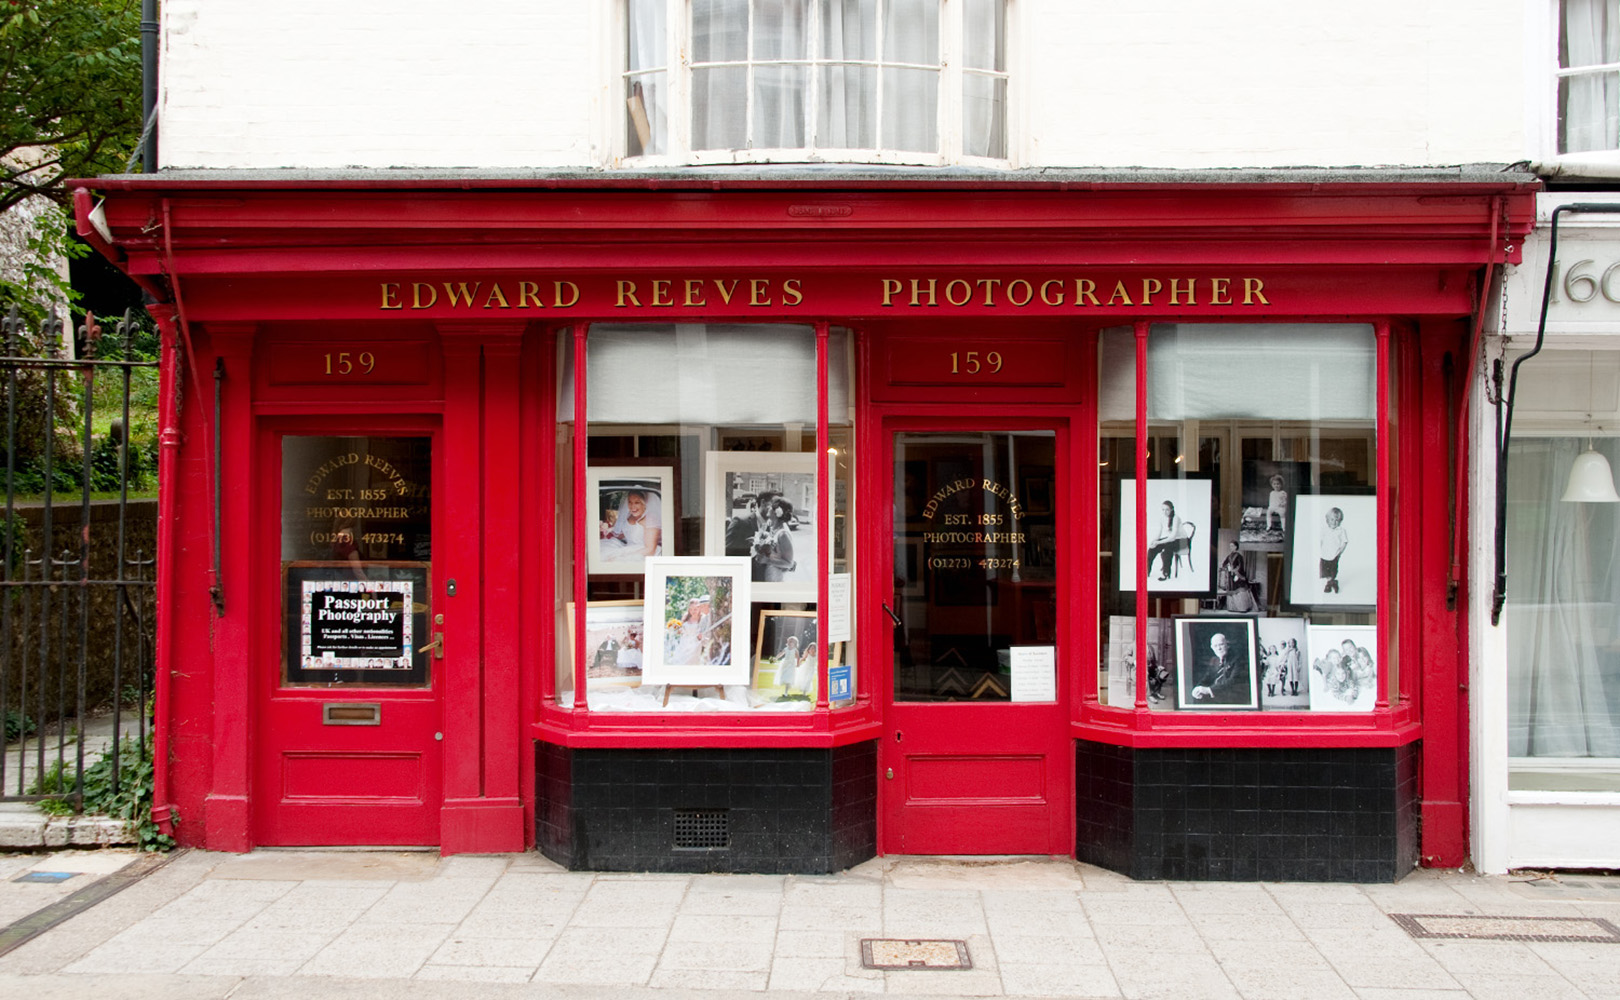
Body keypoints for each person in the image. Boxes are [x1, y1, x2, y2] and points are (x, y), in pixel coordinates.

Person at [600, 489, 662, 563]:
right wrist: (606, 530)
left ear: (645, 503)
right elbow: (625, 533)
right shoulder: (629, 516)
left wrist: (624, 555)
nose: (632, 507)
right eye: (630, 502)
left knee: (613, 560)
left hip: (643, 553)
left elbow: (650, 550)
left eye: (637, 502)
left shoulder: (650, 519)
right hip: (628, 548)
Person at [1190, 631, 1248, 704]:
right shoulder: (1215, 660)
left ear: (1227, 645)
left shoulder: (1237, 659)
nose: (1218, 648)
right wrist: (1197, 688)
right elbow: (1207, 678)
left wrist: (1209, 690)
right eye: (1215, 646)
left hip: (1231, 699)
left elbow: (1233, 681)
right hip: (1216, 696)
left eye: (1221, 645)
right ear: (1212, 647)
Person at [752, 497, 798, 582]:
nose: (768, 508)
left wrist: (767, 560)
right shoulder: (774, 529)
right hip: (768, 573)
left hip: (775, 576)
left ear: (777, 512)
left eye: (771, 506)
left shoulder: (783, 534)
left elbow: (789, 563)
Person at [1146, 500, 1183, 582]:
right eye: (1163, 509)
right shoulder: (1162, 518)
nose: (1165, 512)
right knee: (1152, 549)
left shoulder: (1176, 518)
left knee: (1167, 550)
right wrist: (1153, 542)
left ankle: (1166, 573)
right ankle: (1147, 570)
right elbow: (1159, 533)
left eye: (1167, 509)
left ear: (1172, 509)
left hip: (1181, 541)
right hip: (1170, 539)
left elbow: (1173, 537)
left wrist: (1158, 542)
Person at [1320, 506, 1348, 594]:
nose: (1334, 522)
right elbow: (1320, 540)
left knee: (1333, 570)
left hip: (1334, 554)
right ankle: (1331, 582)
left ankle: (1330, 583)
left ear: (1340, 521)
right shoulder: (1324, 530)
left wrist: (1340, 552)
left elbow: (1345, 542)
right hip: (1324, 554)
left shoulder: (1341, 530)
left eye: (1337, 520)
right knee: (1324, 571)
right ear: (1327, 519)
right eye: (1332, 519)